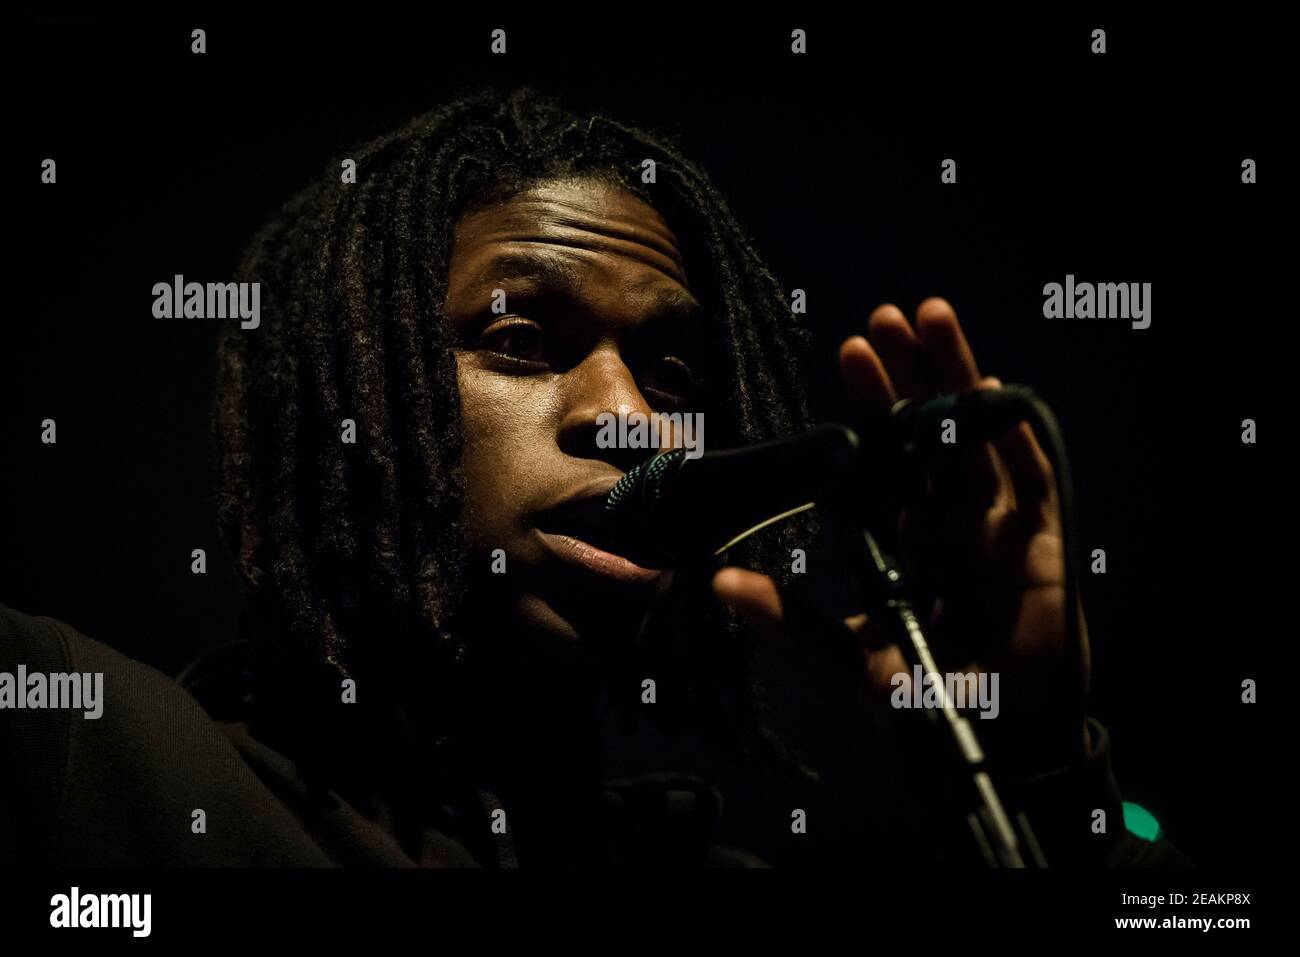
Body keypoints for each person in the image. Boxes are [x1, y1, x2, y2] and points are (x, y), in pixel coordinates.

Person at [0, 87, 1187, 867]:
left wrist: (1045, 767)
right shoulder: (86, 755)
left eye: (672, 376)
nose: (629, 421)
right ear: (344, 396)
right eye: (520, 343)